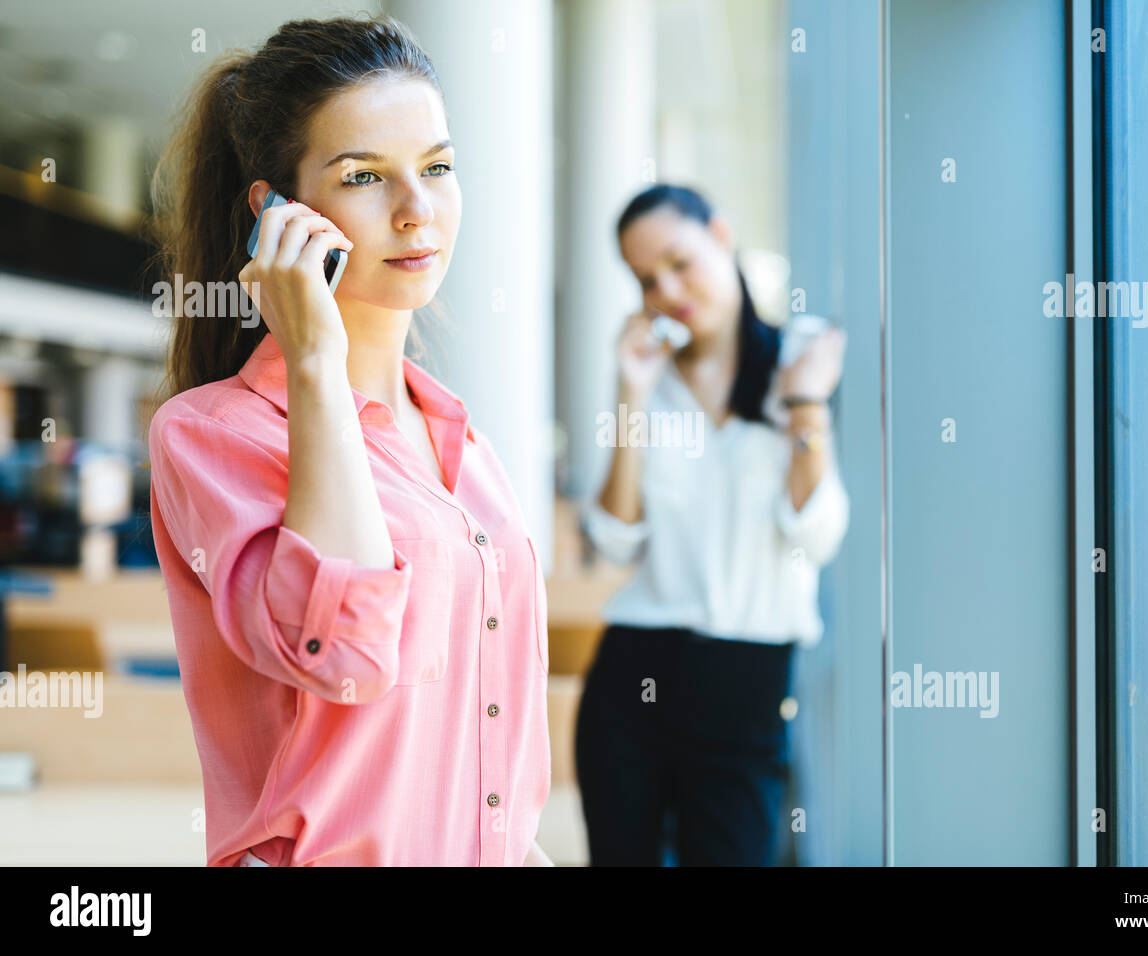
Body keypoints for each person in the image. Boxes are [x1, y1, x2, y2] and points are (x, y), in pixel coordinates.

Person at [146, 15, 551, 867]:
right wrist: (317, 363)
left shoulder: (459, 441)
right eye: (365, 176)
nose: (417, 212)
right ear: (277, 211)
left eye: (437, 168)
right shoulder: (212, 435)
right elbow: (349, 659)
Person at [575, 183, 850, 866]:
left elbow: (815, 535)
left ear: (722, 237)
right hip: (636, 671)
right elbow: (613, 540)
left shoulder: (798, 362)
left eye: (680, 261)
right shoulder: (649, 380)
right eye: (646, 279)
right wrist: (630, 392)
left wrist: (807, 404)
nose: (667, 288)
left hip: (748, 679)